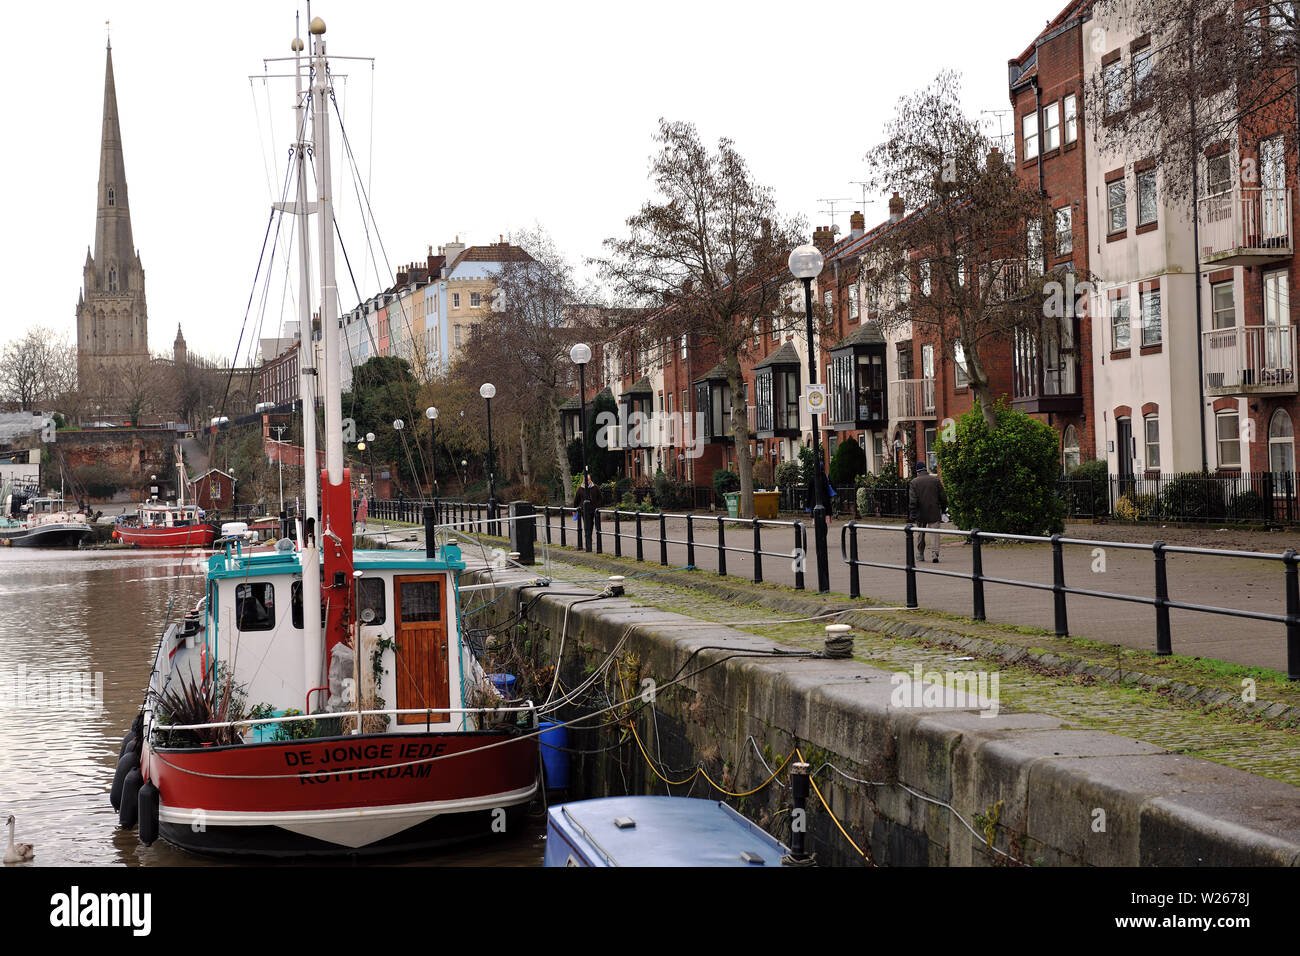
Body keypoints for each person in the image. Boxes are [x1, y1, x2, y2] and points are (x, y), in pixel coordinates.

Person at [908, 460, 947, 563]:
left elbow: (913, 500)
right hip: (934, 511)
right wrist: (943, 509)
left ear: (917, 472)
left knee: (921, 533)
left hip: (921, 512)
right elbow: (943, 497)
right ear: (926, 469)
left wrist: (912, 512)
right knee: (935, 534)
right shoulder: (935, 480)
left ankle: (920, 553)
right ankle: (935, 554)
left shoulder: (914, 482)